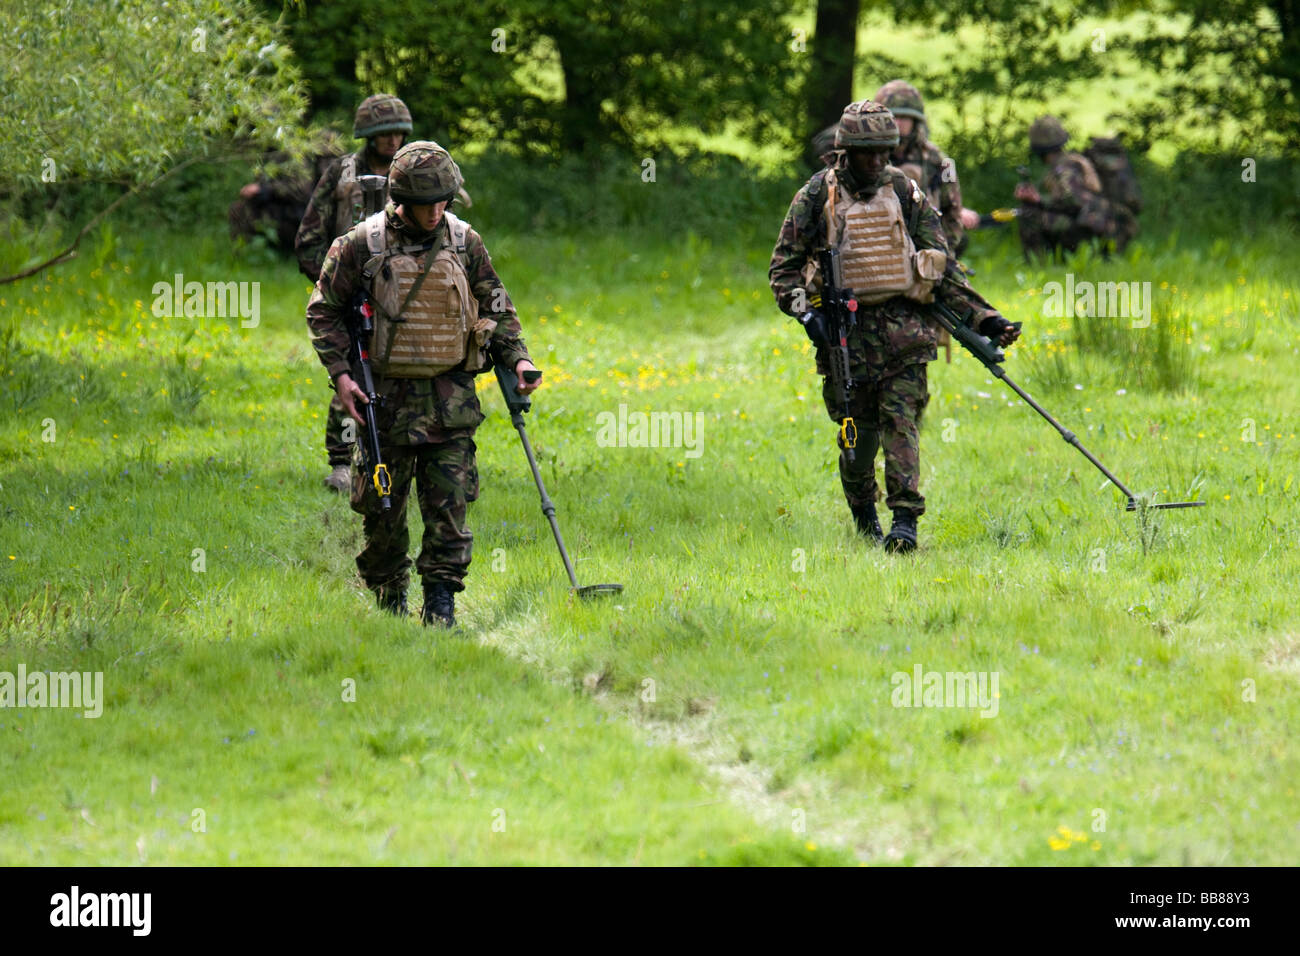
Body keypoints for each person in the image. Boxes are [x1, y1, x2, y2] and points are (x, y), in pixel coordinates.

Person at [305, 141, 540, 627]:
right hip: (384, 403)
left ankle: (440, 605)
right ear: (401, 199)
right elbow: (323, 311)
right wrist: (342, 375)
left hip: (450, 403)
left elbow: (497, 306)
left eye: (442, 201)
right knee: (383, 516)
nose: (435, 212)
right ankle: (389, 602)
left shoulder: (464, 241)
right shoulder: (360, 244)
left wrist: (518, 360)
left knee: (449, 510)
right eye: (424, 203)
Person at [769, 101, 1019, 553]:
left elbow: (940, 264)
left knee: (901, 424)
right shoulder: (815, 196)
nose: (878, 160)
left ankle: (905, 523)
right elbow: (783, 270)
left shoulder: (905, 191)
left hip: (905, 331)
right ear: (847, 152)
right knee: (858, 438)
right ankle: (863, 509)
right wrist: (808, 315)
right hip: (846, 337)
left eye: (885, 150)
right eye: (869, 152)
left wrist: (985, 317)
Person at [297, 94, 414, 494]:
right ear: (368, 134)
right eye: (384, 132)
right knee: (351, 375)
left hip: (405, 295)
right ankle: (343, 462)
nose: (393, 139)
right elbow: (308, 239)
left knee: (409, 375)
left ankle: (404, 455)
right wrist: (335, 284)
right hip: (352, 294)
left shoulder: (415, 170)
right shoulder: (341, 174)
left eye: (398, 132)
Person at [872, 80, 980, 258]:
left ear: (915, 121)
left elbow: (952, 212)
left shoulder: (938, 160)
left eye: (904, 118)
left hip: (924, 241)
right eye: (892, 117)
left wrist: (944, 256)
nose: (898, 123)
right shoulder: (868, 156)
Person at [1014, 115, 1128, 260]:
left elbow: (1075, 200)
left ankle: (1038, 262)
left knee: (1029, 214)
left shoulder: (1065, 168)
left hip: (1092, 227)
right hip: (1101, 224)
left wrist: (1039, 200)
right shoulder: (1070, 162)